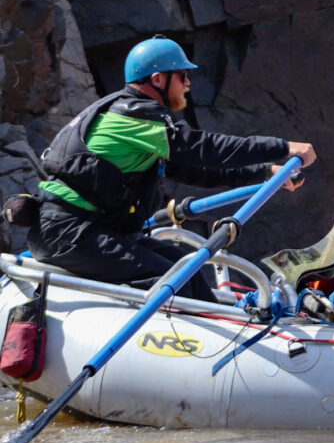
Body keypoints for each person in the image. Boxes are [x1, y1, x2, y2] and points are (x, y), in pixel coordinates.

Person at [28, 36, 316, 302]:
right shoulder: (136, 116)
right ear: (157, 79)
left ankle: (223, 342)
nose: (188, 83)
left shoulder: (138, 119)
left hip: (89, 231)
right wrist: (282, 146)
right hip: (70, 233)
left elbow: (197, 172)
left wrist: (266, 173)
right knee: (171, 280)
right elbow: (206, 149)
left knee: (186, 268)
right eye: (182, 76)